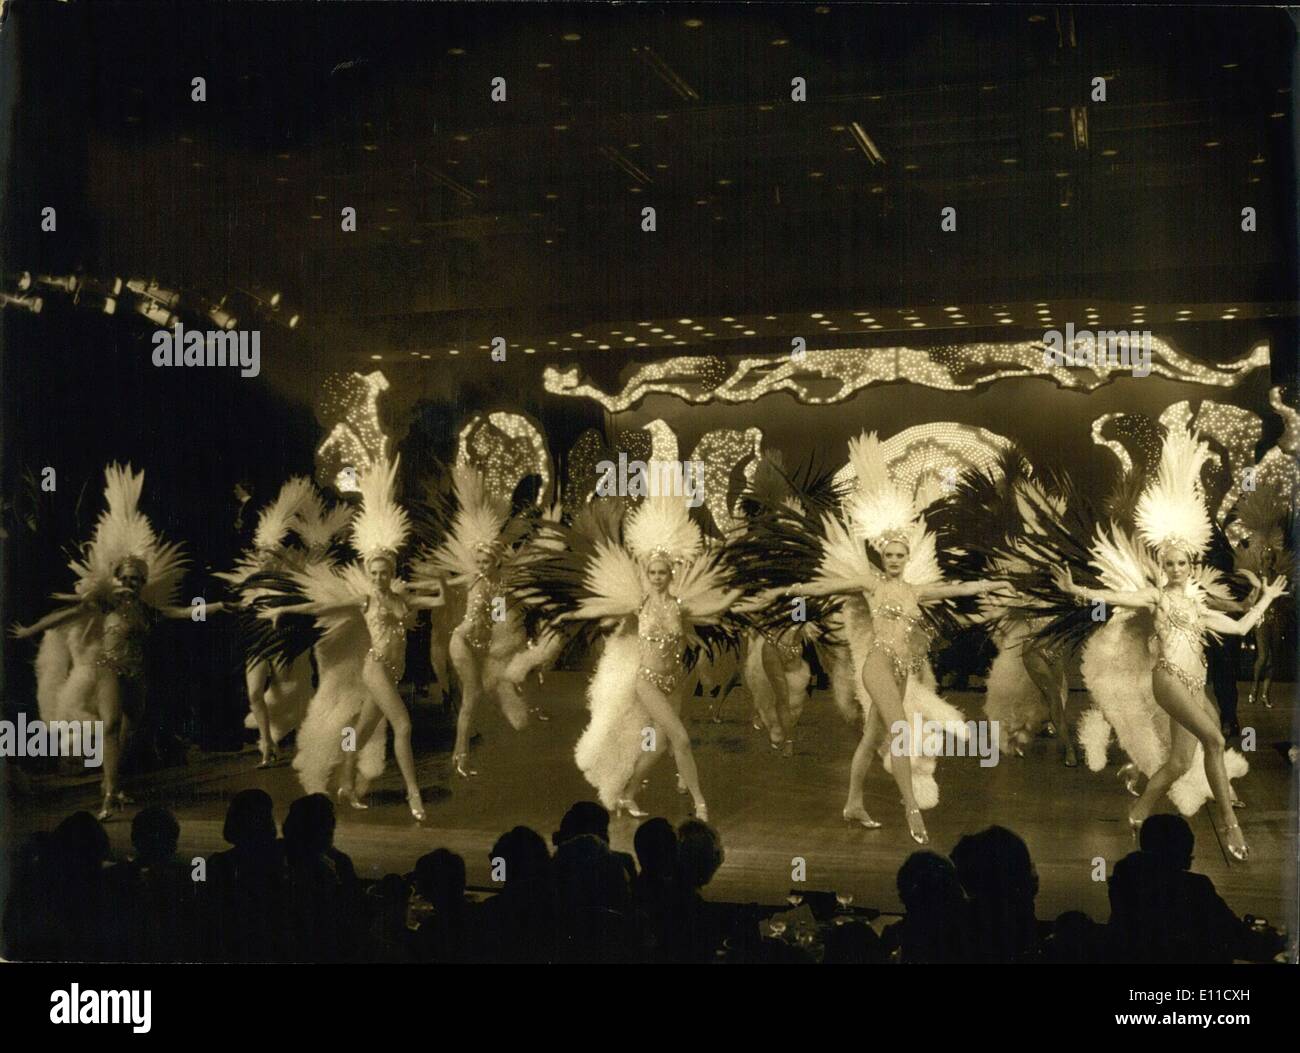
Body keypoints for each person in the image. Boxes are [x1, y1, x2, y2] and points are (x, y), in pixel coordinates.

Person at [1053, 428, 1287, 861]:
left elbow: (1238, 628)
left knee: (1180, 763)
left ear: (1190, 564)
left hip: (1194, 684)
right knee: (1215, 741)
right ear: (1162, 566)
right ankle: (1231, 827)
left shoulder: (1197, 604)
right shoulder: (1157, 597)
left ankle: (1137, 813)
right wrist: (1080, 592)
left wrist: (1267, 599)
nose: (1176, 568)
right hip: (1168, 680)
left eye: (1182, 563)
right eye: (1170, 563)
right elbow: (1118, 597)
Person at [11, 464, 200, 820]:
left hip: (137, 675)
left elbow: (182, 613)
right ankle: (109, 795)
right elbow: (67, 616)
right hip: (108, 669)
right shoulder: (106, 602)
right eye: (126, 578)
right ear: (117, 579)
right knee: (110, 725)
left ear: (142, 582)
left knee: (127, 732)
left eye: (135, 579)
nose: (130, 583)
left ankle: (112, 781)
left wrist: (216, 607)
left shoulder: (147, 608)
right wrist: (32, 629)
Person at [271, 458, 444, 820]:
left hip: (394, 671)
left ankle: (346, 779)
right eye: (375, 572)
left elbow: (441, 600)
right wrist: (285, 611)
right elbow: (324, 604)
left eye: (385, 572)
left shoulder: (402, 598)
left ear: (392, 572)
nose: (380, 577)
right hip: (376, 667)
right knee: (403, 725)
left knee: (361, 732)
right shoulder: (366, 599)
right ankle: (414, 794)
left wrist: (435, 580)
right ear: (369, 572)